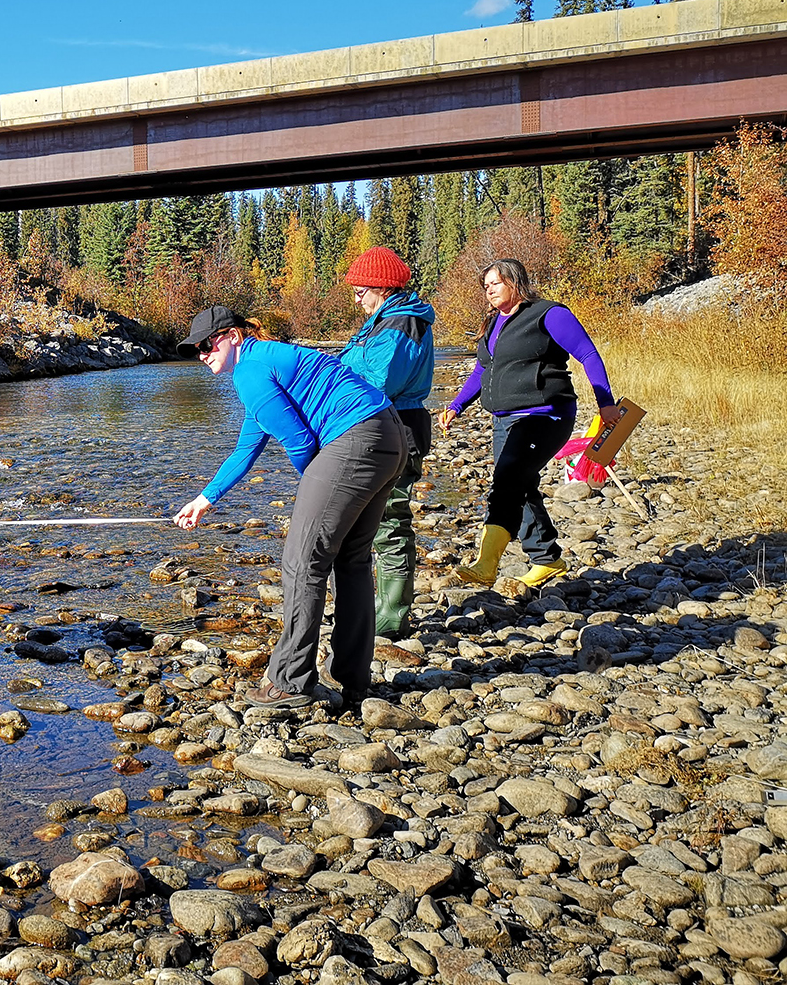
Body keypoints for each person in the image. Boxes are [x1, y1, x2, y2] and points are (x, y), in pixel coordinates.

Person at [173, 305, 408, 713]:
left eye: (207, 344)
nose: (203, 354)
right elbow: (248, 446)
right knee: (351, 560)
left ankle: (289, 681)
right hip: (389, 437)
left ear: (231, 336)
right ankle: (350, 677)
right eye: (196, 350)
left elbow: (300, 444)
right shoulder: (265, 362)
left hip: (355, 440)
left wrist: (320, 490)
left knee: (302, 562)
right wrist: (204, 500)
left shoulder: (250, 372)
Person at [440, 258, 618, 587]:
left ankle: (487, 562)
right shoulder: (493, 322)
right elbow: (483, 370)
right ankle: (547, 559)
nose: (489, 289)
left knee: (508, 479)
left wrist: (605, 403)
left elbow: (588, 354)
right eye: (486, 285)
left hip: (545, 414)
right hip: (505, 419)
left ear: (514, 281)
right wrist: (457, 405)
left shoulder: (549, 314)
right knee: (518, 483)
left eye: (495, 283)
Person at [338, 247, 437, 637]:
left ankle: (392, 615)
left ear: (381, 287)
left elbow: (377, 383)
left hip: (397, 427)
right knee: (375, 521)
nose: (356, 298)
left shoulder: (399, 325)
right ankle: (381, 607)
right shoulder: (386, 321)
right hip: (392, 425)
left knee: (389, 521)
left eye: (360, 290)